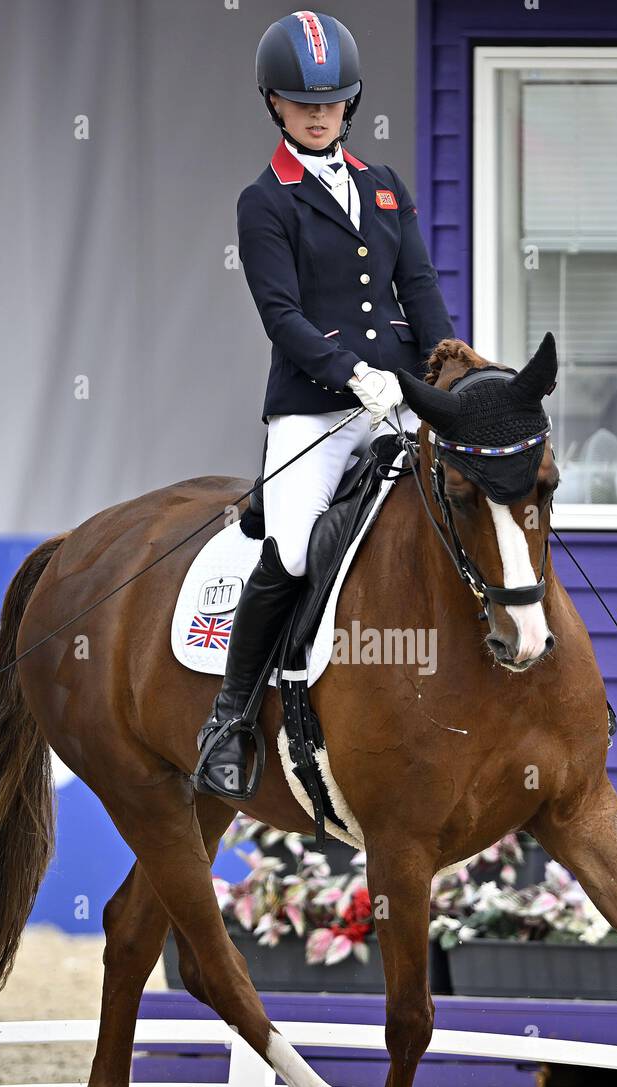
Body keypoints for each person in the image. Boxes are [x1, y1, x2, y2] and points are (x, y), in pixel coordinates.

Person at [194, 9, 455, 797]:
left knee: (469, 506)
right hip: (314, 411)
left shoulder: (384, 189)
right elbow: (283, 316)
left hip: (403, 398)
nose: (319, 114)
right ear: (276, 104)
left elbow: (419, 287)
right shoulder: (264, 200)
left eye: (333, 101)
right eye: (303, 102)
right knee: (299, 549)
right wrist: (353, 374)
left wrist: (447, 370)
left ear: (350, 102)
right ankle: (232, 719)